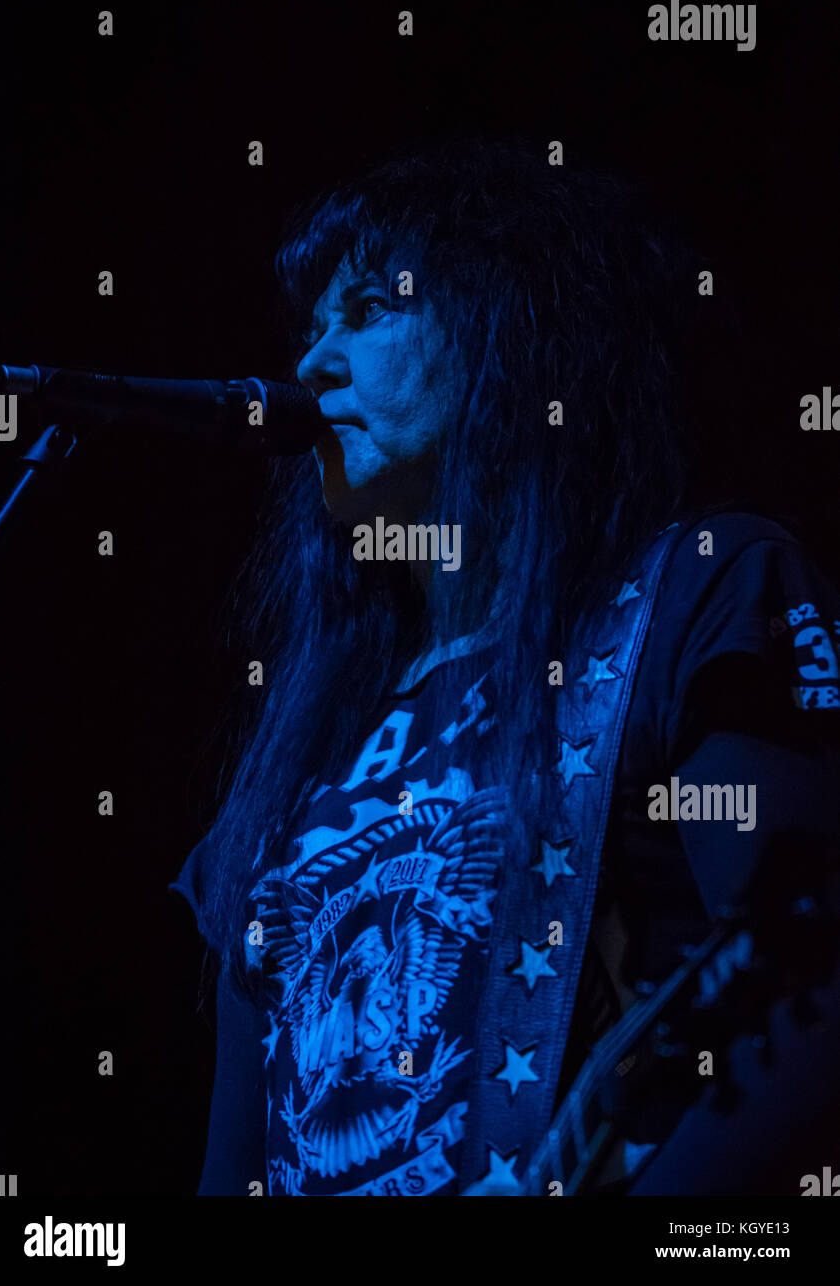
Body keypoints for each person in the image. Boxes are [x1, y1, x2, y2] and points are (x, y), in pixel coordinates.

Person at [170, 138, 840, 1196]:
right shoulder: (306, 738)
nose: (309, 363)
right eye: (309, 326)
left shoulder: (697, 593)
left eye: (368, 309)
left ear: (513, 336)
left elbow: (809, 995)